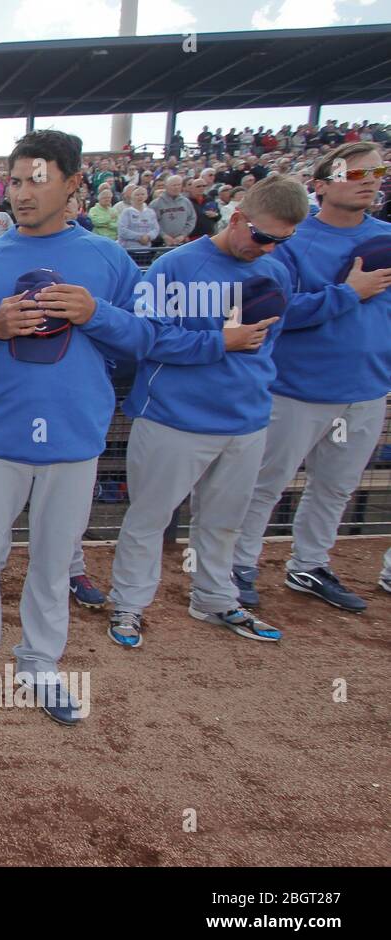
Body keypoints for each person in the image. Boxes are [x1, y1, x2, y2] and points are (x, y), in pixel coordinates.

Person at [0, 131, 167, 726]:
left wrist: (98, 315)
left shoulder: (110, 260)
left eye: (36, 179)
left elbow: (147, 340)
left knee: (53, 559)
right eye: (15, 181)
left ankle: (40, 666)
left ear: (73, 184)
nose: (22, 193)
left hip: (75, 436)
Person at [106, 176, 310, 649]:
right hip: (173, 417)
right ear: (237, 217)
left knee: (224, 520)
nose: (268, 248)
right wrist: (220, 342)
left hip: (246, 417)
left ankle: (216, 597)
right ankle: (130, 603)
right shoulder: (175, 264)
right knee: (149, 518)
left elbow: (267, 348)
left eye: (281, 241)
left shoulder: (276, 271)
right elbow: (146, 337)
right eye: (262, 236)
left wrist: (237, 358)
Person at [232, 143, 391, 613]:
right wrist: (346, 294)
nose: (368, 178)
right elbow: (272, 311)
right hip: (296, 387)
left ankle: (310, 564)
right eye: (353, 172)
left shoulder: (387, 236)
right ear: (320, 185)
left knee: (337, 484)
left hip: (366, 387)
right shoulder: (290, 240)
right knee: (266, 482)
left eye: (377, 170)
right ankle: (239, 564)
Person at [117, 186, 160, 252]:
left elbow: (156, 229)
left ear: (146, 196)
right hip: (130, 250)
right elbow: (122, 230)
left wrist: (148, 236)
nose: (140, 197)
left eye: (143, 194)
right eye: (137, 195)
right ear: (132, 197)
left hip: (146, 249)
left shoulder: (151, 212)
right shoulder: (127, 212)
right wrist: (139, 237)